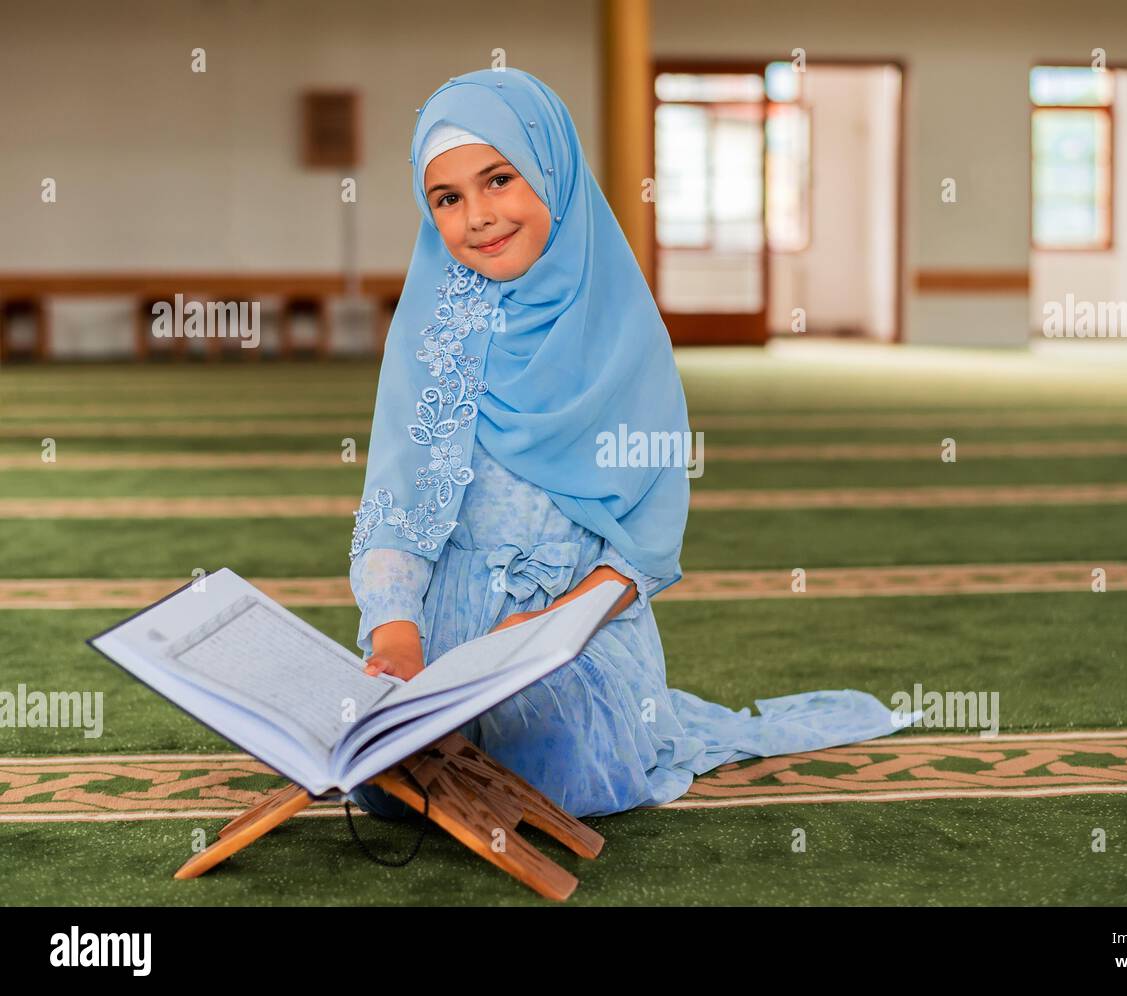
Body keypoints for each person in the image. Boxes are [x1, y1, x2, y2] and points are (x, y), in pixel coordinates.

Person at [346, 67, 914, 821]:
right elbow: (395, 506)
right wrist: (400, 643)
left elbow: (644, 541)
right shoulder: (434, 331)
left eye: (499, 180)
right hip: (445, 634)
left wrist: (552, 627)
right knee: (392, 771)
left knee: (569, 768)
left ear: (552, 173)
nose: (478, 216)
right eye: (447, 198)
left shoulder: (623, 331)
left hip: (572, 633)